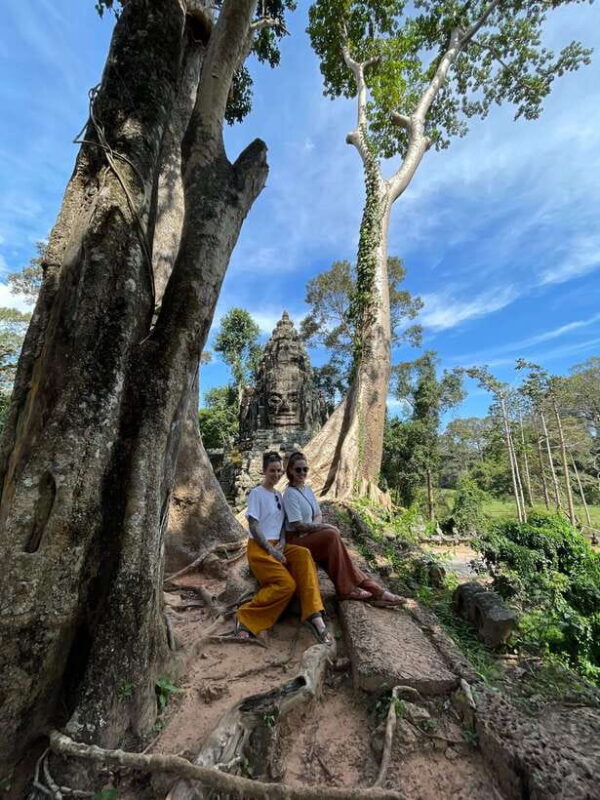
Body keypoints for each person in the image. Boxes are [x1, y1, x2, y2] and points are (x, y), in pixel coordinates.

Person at [282, 451, 405, 607]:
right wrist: (324, 526)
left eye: (305, 469)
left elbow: (318, 514)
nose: (302, 473)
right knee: (331, 534)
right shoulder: (290, 494)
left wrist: (316, 527)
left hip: (310, 536)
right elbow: (297, 525)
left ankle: (377, 592)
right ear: (290, 471)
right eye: (298, 469)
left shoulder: (307, 490)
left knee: (340, 557)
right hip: (297, 540)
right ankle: (348, 590)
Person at [235, 451, 333, 644]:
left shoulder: (280, 495)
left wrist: (281, 542)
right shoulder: (257, 493)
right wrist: (271, 550)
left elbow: (281, 525)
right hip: (259, 547)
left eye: (279, 470)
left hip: (278, 545)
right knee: (286, 585)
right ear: (264, 471)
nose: (276, 474)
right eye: (272, 470)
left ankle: (315, 616)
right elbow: (254, 526)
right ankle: (245, 617)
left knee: (304, 554)